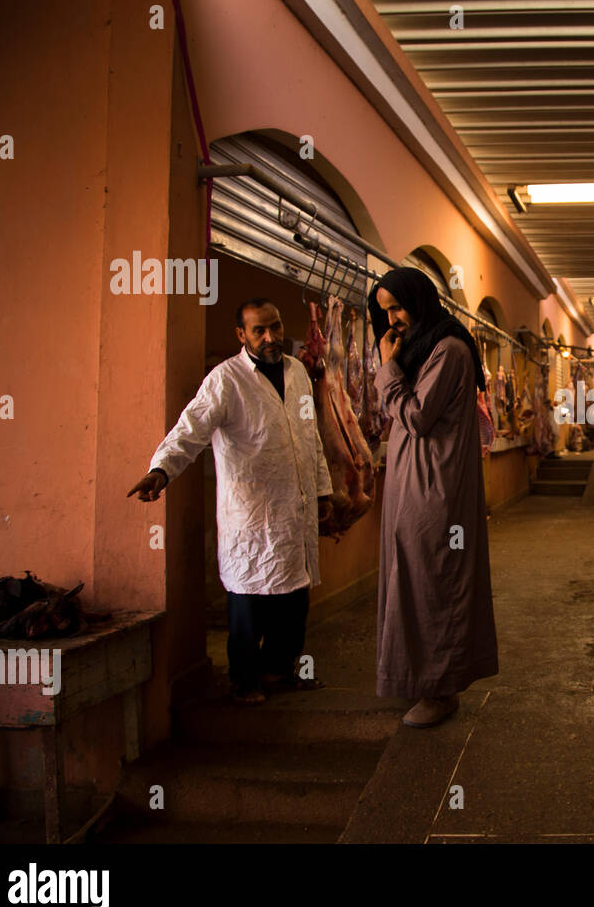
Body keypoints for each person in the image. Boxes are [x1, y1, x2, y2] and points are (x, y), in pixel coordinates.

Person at [128, 299, 333, 705]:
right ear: (241, 335)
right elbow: (192, 427)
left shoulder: (297, 373)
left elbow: (311, 437)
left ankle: (278, 671)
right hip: (251, 515)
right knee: (249, 600)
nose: (270, 337)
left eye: (274, 327)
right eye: (259, 331)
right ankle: (244, 680)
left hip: (296, 506)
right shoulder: (226, 379)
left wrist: (324, 489)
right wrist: (161, 470)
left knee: (294, 598)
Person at [370, 267, 498, 728]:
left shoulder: (449, 349)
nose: (392, 320)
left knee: (435, 580)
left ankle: (441, 690)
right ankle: (418, 679)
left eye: (398, 307)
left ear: (420, 300)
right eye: (385, 311)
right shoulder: (421, 349)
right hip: (412, 485)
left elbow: (418, 417)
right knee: (410, 580)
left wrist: (387, 371)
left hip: (435, 489)